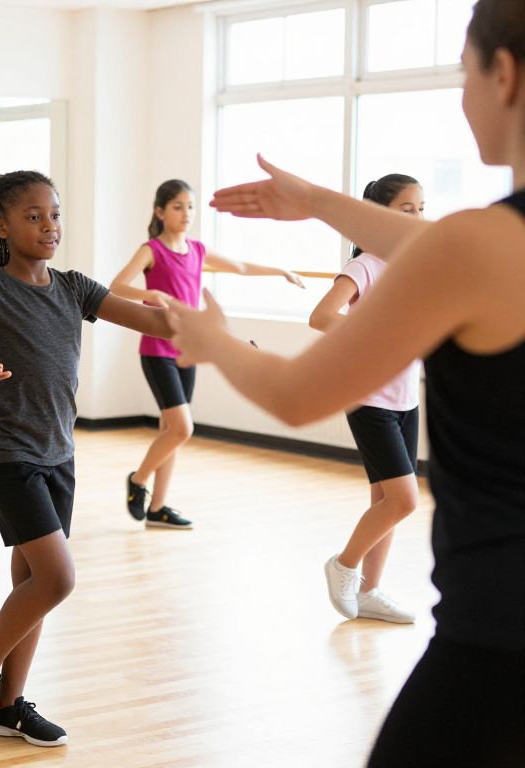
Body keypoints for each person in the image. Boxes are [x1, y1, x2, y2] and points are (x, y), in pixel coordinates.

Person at [169, 2, 524, 762]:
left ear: (504, 74)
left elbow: (298, 395)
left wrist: (215, 341)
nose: (463, 99)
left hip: (497, 642)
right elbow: (442, 245)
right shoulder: (469, 246)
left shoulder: (476, 247)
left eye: (465, 74)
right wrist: (321, 203)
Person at [0, 170, 176, 747]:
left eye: (54, 213)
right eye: (33, 216)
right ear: (2, 226)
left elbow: (152, 318)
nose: (49, 225)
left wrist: (218, 339)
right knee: (57, 578)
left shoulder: (74, 287)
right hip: (7, 452)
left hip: (59, 452)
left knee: (30, 581)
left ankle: (9, 706)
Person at [111, 178, 303, 529]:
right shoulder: (152, 249)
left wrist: (282, 271)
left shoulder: (197, 250)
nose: (186, 214)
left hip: (188, 350)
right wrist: (153, 296)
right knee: (182, 429)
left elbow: (242, 267)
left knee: (170, 430)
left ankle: (158, 508)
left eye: (191, 207)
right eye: (178, 207)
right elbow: (116, 286)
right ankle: (138, 480)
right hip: (157, 349)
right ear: (160, 211)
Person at [309, 174, 425, 624]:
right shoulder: (365, 265)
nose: (417, 217)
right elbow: (321, 316)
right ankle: (345, 565)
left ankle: (372, 592)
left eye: (420, 208)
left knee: (385, 501)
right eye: (406, 209)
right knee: (405, 500)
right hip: (368, 396)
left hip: (404, 398)